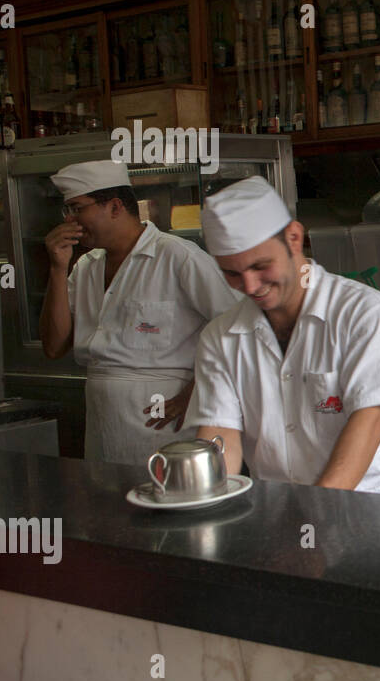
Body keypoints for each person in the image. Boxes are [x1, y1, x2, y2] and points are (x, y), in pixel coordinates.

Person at [187, 177, 380, 493]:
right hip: (283, 508)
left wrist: (316, 511)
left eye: (261, 266)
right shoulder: (220, 337)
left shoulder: (364, 313)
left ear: (294, 238)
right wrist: (205, 498)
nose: (250, 285)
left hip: (372, 506)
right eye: (232, 273)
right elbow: (220, 431)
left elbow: (369, 421)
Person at [40, 160, 239, 465]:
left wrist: (195, 391)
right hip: (104, 424)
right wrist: (57, 268)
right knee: (107, 492)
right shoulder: (85, 267)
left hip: (163, 423)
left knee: (163, 489)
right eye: (67, 210)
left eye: (77, 208)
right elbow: (54, 347)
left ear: (115, 207)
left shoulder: (178, 257)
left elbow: (237, 327)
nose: (70, 220)